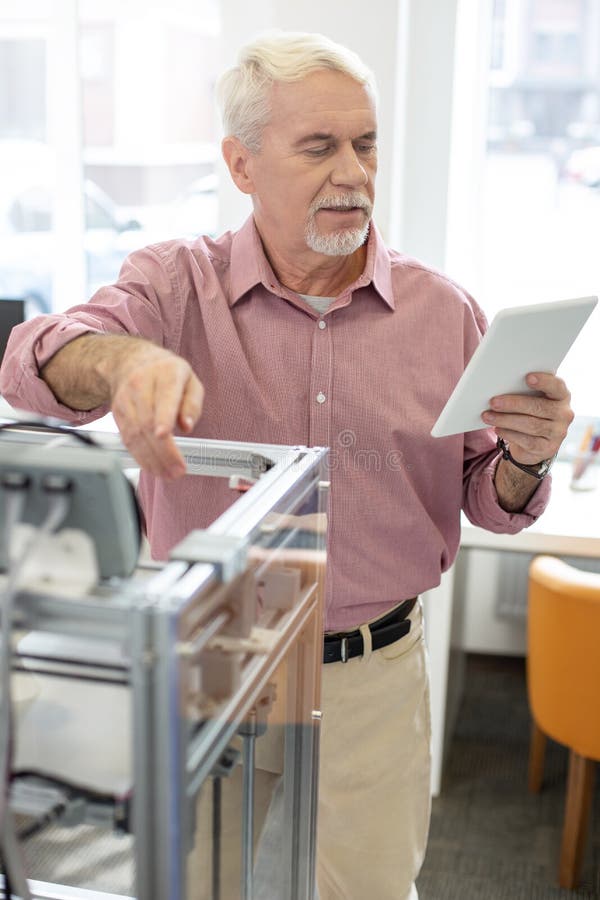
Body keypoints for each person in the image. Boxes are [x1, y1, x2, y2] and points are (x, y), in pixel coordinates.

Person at [0, 31, 573, 900]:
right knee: (191, 888)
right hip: (212, 661)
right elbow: (31, 359)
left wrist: (526, 462)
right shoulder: (172, 284)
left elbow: (486, 499)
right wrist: (122, 362)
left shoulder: (444, 312)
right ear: (242, 164)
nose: (353, 173)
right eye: (319, 146)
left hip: (370, 673)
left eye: (365, 143)